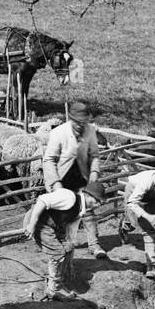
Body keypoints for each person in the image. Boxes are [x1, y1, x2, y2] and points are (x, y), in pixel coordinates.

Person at [24, 180, 107, 299]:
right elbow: (42, 200)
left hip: (53, 226)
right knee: (58, 252)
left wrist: (68, 245)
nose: (98, 204)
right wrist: (32, 223)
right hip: (39, 223)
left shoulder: (80, 209)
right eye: (96, 200)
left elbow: (70, 231)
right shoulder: (69, 197)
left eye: (100, 202)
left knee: (67, 248)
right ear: (87, 195)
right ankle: (53, 290)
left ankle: (60, 281)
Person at [42, 101, 105, 258]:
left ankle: (94, 244)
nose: (80, 125)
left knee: (88, 210)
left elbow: (94, 155)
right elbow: (49, 160)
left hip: (82, 176)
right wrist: (55, 183)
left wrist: (94, 173)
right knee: (62, 213)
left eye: (83, 122)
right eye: (77, 122)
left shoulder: (90, 131)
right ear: (71, 119)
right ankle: (61, 245)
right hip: (62, 178)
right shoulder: (58, 133)